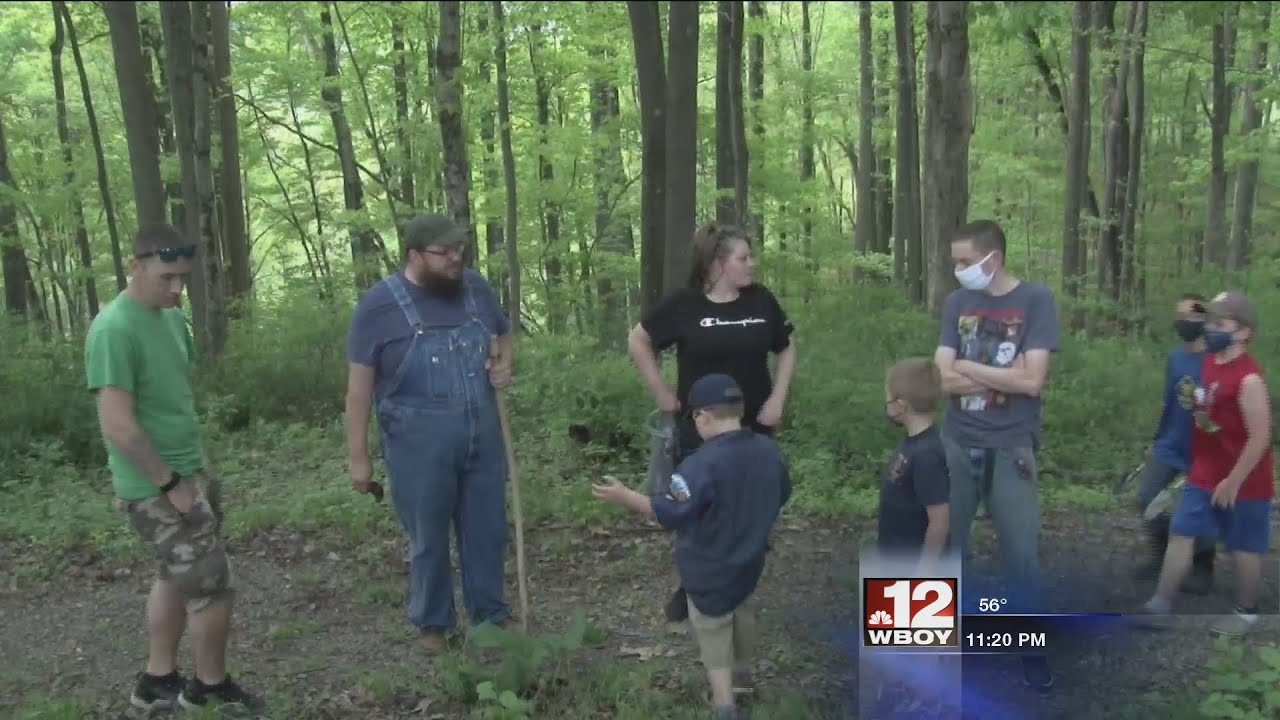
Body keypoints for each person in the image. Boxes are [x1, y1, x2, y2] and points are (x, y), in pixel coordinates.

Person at [85, 224, 264, 715]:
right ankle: (210, 689)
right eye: (166, 277)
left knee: (174, 574)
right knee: (211, 584)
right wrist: (170, 485)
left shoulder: (170, 319)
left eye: (183, 278)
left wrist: (195, 474)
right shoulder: (113, 329)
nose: (176, 288)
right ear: (135, 266)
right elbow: (118, 426)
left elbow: (171, 398)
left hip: (189, 471)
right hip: (156, 484)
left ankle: (157, 681)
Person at [345, 213, 515, 654]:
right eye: (443, 252)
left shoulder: (476, 289)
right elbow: (359, 389)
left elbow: (502, 335)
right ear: (415, 255)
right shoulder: (379, 306)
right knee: (428, 536)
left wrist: (504, 365)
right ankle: (433, 624)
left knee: (487, 529)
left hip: (482, 435)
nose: (455, 258)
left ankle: (490, 616)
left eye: (459, 249)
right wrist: (358, 457)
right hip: (416, 444)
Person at [592, 374, 792, 720]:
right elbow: (782, 493)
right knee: (743, 610)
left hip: (708, 564)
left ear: (703, 416)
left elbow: (670, 512)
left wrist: (625, 496)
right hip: (751, 558)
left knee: (712, 627)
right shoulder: (768, 451)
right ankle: (743, 675)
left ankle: (724, 704)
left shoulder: (700, 465)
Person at [628, 221, 796, 623]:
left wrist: (778, 399)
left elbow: (787, 347)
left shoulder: (761, 301)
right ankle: (694, 584)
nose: (752, 264)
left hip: (754, 425)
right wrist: (661, 392)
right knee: (698, 508)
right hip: (701, 429)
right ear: (718, 264)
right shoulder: (684, 305)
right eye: (743, 258)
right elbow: (639, 339)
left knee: (750, 503)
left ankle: (742, 579)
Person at [933, 219, 1059, 691]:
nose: (958, 270)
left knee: (1021, 553)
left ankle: (1030, 648)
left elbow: (1033, 381)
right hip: (956, 441)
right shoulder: (957, 303)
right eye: (955, 262)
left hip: (1011, 447)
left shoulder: (1035, 301)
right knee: (949, 547)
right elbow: (940, 379)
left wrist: (966, 366)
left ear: (994, 259)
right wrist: (1001, 376)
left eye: (965, 261)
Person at [1137, 291, 1274, 637]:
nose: (1211, 329)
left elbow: (1261, 437)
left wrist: (1234, 480)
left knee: (1244, 547)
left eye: (1220, 323)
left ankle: (1246, 613)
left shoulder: (1249, 379)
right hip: (1205, 471)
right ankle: (1161, 604)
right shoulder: (1211, 363)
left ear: (1243, 332)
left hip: (1245, 479)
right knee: (1182, 531)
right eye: (1210, 322)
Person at [1133, 294, 1215, 591]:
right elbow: (1168, 401)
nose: (1185, 322)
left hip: (1205, 447)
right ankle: (1160, 556)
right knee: (1147, 498)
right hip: (1171, 443)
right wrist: (1156, 440)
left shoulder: (1216, 359)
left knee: (1200, 507)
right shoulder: (1176, 358)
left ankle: (1203, 566)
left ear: (1205, 319)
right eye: (1180, 316)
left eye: (1192, 316)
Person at [877, 357, 951, 574]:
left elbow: (939, 520)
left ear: (901, 406)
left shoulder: (927, 456)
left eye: (888, 398)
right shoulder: (913, 444)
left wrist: (924, 572)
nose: (886, 403)